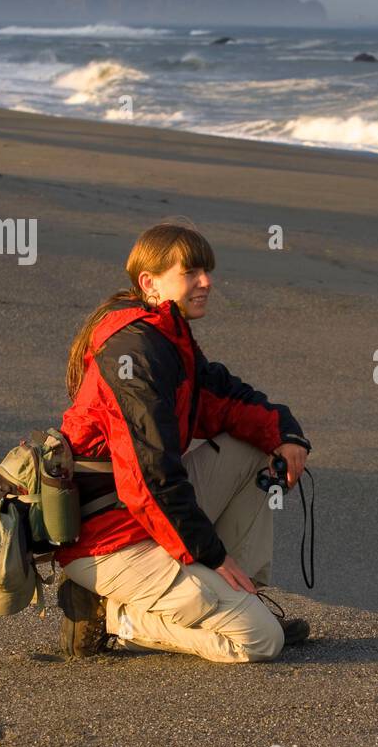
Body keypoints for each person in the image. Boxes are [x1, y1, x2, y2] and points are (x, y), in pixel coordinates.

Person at [53, 222, 311, 662]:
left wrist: (286, 436)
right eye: (190, 272)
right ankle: (116, 616)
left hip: (137, 516)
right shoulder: (135, 351)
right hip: (108, 537)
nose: (206, 282)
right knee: (262, 641)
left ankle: (236, 597)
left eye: (206, 270)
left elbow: (225, 399)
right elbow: (149, 478)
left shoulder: (167, 337)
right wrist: (209, 554)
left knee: (254, 451)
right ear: (149, 283)